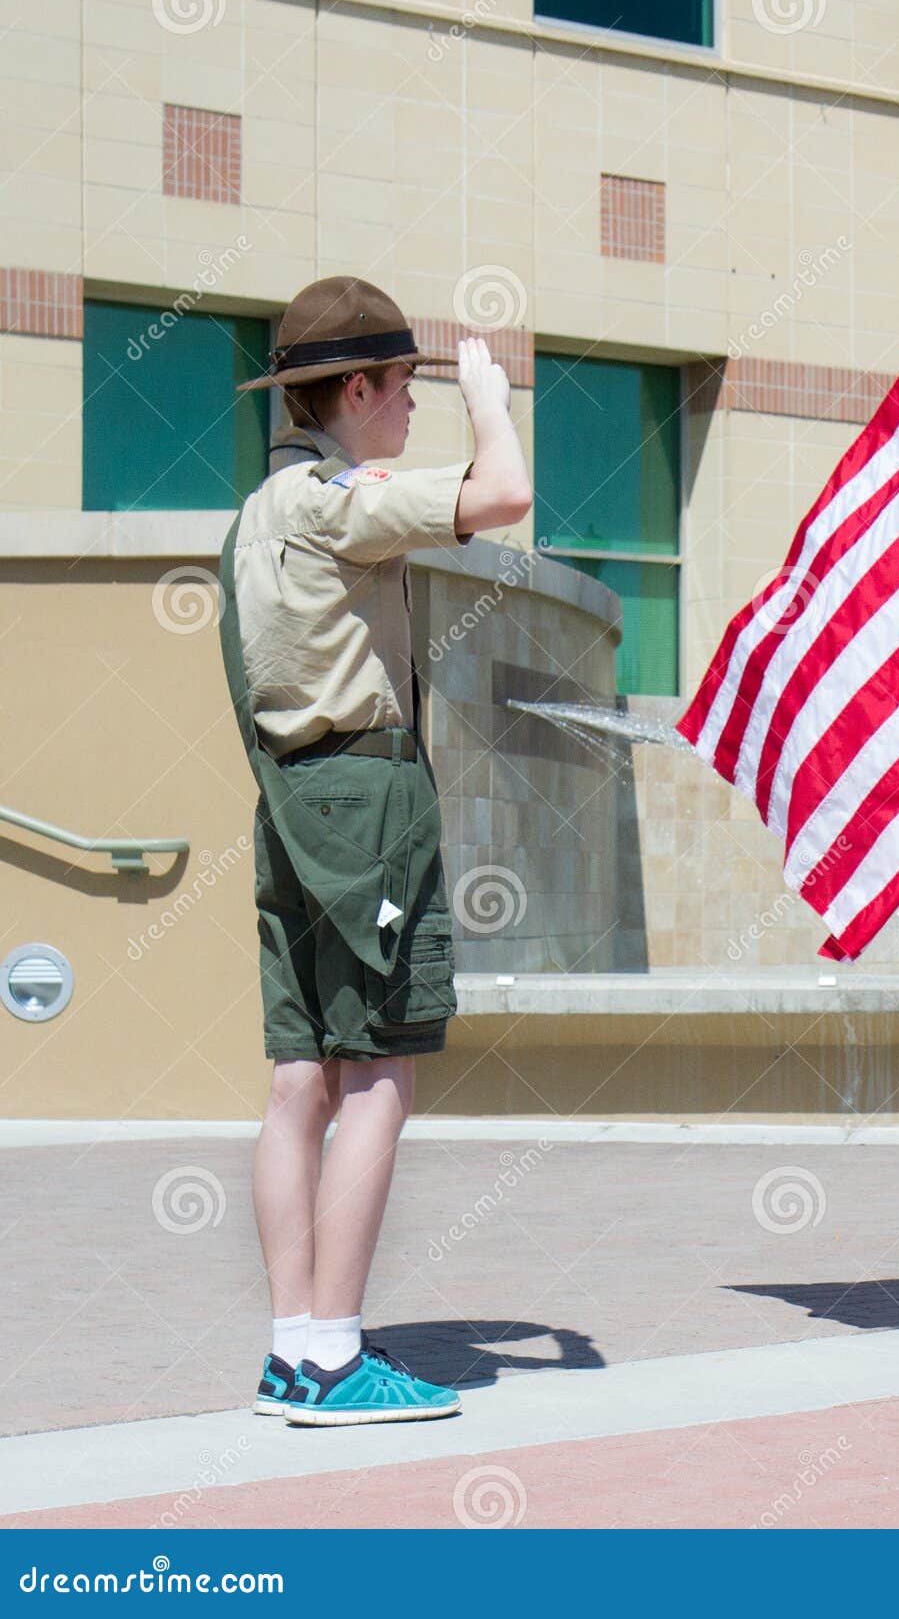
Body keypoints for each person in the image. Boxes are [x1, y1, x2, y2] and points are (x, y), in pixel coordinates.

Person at [216, 276, 532, 1426]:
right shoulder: (339, 496)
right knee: (381, 1071)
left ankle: (294, 1347)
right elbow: (504, 491)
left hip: (291, 799)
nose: (412, 410)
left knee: (301, 1076)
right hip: (367, 795)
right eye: (404, 388)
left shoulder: (260, 508)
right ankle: (339, 1356)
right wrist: (491, 401)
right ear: (354, 389)